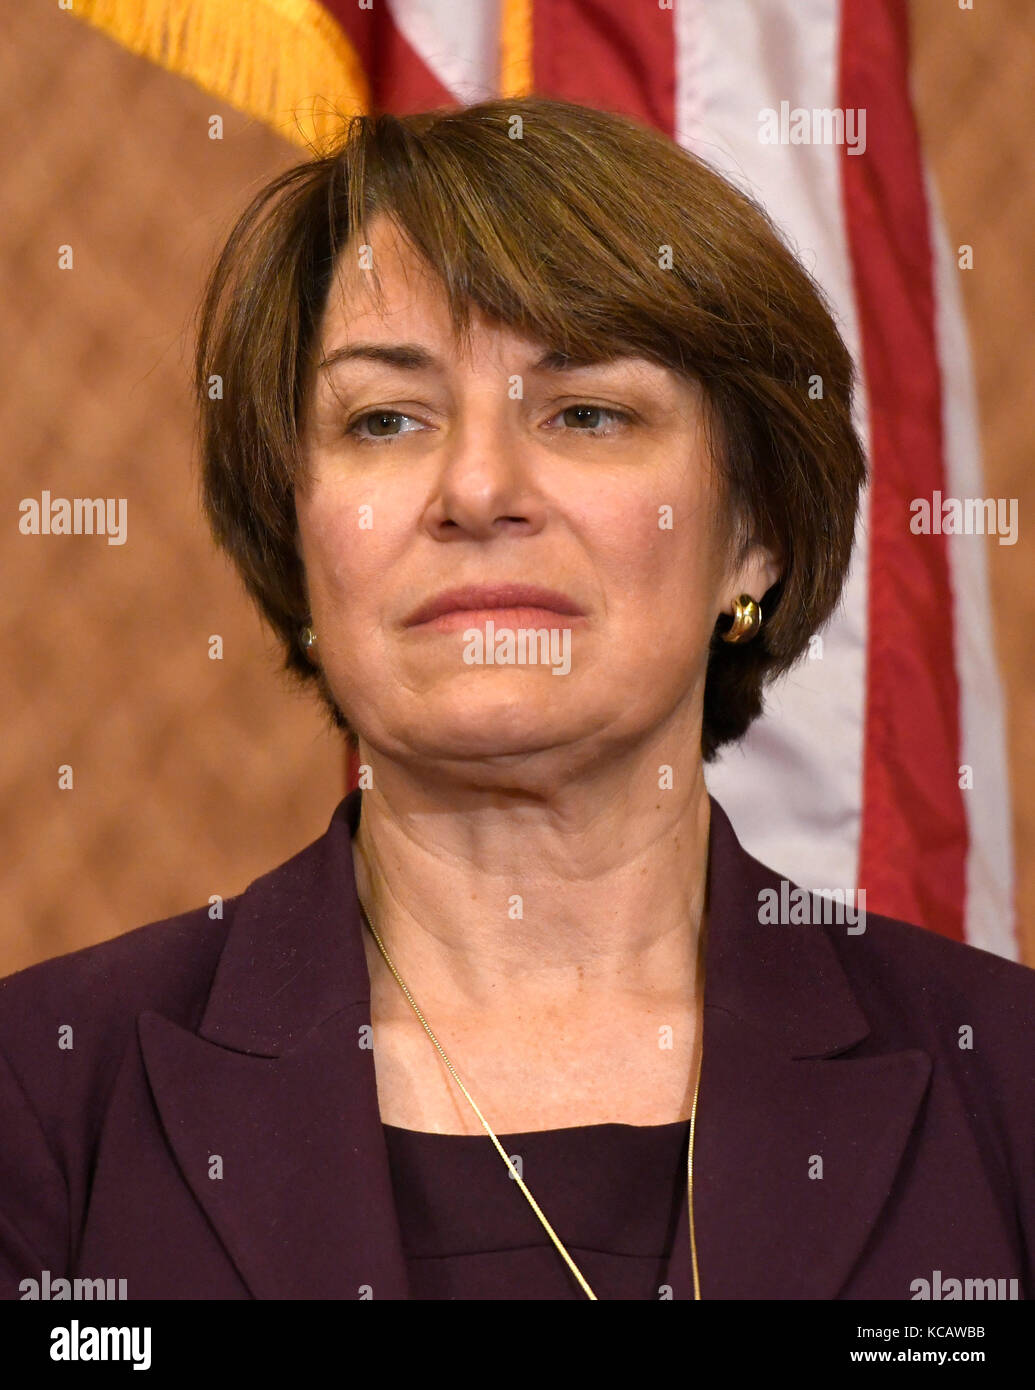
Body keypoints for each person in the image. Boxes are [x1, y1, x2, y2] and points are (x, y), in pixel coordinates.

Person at [1, 96, 1032, 1302]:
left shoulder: (1006, 1080)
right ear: (299, 539)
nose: (478, 486)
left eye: (587, 412)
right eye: (386, 419)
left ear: (752, 537)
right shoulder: (41, 1093)